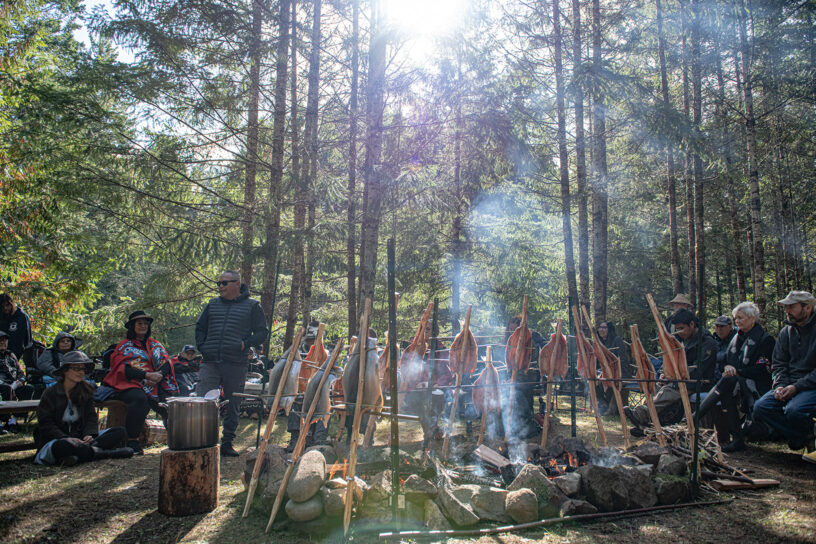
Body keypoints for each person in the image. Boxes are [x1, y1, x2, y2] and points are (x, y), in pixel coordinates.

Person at [195, 270, 268, 457]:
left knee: (233, 402)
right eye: (218, 283)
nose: (220, 286)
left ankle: (227, 442)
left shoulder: (252, 306)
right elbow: (200, 327)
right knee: (204, 400)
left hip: (236, 362)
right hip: (210, 361)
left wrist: (245, 344)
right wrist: (203, 346)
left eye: (224, 283)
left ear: (237, 284)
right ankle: (203, 439)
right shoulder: (212, 305)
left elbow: (262, 332)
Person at [694, 302, 774, 451]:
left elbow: (763, 370)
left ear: (752, 319)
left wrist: (738, 372)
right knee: (727, 386)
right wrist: (727, 367)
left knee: (728, 382)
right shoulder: (736, 338)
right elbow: (724, 362)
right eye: (735, 318)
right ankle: (737, 439)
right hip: (735, 382)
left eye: (740, 318)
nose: (737, 321)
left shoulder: (765, 339)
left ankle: (695, 417)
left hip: (757, 385)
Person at [34, 351, 133, 466]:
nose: (81, 372)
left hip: (81, 438)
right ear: (65, 370)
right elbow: (46, 423)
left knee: (119, 431)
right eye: (76, 368)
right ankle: (104, 453)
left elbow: (91, 416)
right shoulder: (50, 393)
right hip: (58, 440)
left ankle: (78, 455)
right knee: (65, 446)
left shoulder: (86, 390)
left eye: (83, 369)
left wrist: (88, 434)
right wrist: (65, 438)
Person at [750, 291, 816, 461]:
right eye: (786, 307)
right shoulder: (786, 332)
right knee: (761, 407)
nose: (787, 311)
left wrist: (796, 387)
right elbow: (778, 364)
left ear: (807, 308)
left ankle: (803, 437)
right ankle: (803, 437)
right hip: (789, 384)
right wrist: (780, 385)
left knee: (794, 410)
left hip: (811, 386)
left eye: (792, 307)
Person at [101, 310, 178, 454]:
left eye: (145, 324)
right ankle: (133, 440)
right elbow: (122, 369)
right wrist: (146, 375)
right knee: (140, 399)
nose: (143, 326)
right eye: (139, 323)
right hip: (129, 384)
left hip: (156, 382)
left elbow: (167, 362)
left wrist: (159, 375)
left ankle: (176, 438)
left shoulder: (155, 344)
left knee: (172, 403)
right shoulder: (124, 346)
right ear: (132, 326)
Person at [625, 309, 717, 428]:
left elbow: (700, 369)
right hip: (681, 379)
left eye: (681, 328)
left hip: (699, 382)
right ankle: (648, 424)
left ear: (692, 324)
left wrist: (675, 376)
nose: (679, 332)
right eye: (677, 329)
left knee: (669, 390)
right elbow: (674, 360)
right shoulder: (684, 340)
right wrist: (666, 373)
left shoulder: (707, 342)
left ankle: (642, 414)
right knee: (656, 387)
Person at [595, 321, 634, 415]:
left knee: (613, 383)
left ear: (609, 329)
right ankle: (604, 405)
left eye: (604, 328)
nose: (601, 330)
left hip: (620, 372)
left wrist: (613, 370)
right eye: (600, 327)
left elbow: (623, 359)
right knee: (593, 382)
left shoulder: (617, 340)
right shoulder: (599, 342)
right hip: (606, 372)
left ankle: (612, 409)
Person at [0, 330, 36, 434]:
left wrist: (21, 380)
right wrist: (5, 384)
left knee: (29, 389)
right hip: (2, 385)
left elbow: (20, 371)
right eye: (0, 340)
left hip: (14, 384)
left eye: (4, 340)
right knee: (6, 389)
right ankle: (2, 422)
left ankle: (13, 421)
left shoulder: (11, 355)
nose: (2, 342)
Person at [0, 293, 32, 359]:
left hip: (16, 354)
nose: (5, 308)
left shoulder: (22, 317)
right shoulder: (1, 317)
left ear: (12, 304)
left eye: (7, 305)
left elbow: (28, 340)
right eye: (2, 306)